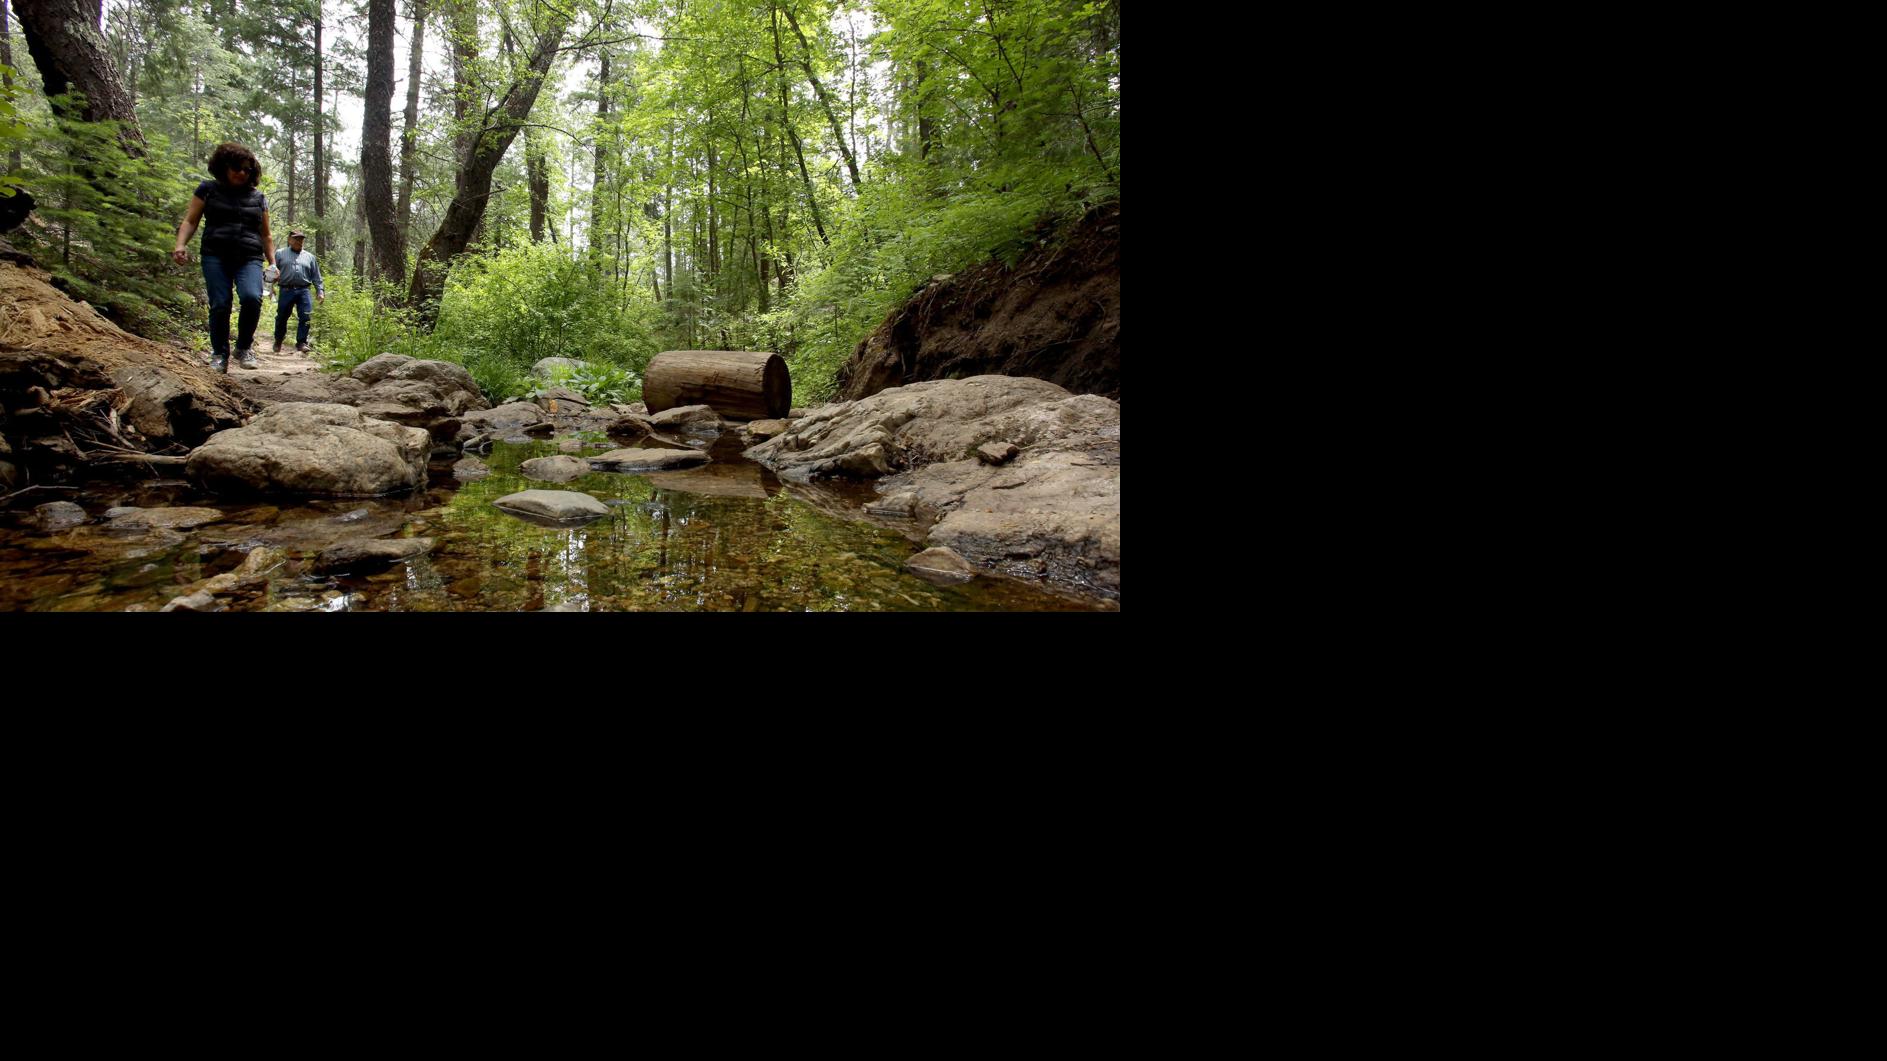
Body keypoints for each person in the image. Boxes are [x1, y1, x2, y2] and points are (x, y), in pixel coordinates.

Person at [171, 142, 274, 373]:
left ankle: (244, 347)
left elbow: (266, 234)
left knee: (251, 298)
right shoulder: (207, 189)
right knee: (220, 304)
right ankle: (219, 354)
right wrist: (180, 245)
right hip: (215, 255)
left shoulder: (258, 198)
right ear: (223, 167)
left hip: (249, 256)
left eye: (247, 169)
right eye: (236, 167)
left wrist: (273, 263)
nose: (241, 173)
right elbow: (190, 221)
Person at [271, 230, 325, 353]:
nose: (299, 241)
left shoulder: (310, 257)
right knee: (282, 316)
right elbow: (273, 271)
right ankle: (278, 340)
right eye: (296, 239)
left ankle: (301, 342)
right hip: (286, 289)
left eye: (301, 239)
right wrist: (270, 287)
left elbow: (316, 276)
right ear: (289, 240)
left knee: (306, 316)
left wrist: (320, 291)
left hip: (304, 290)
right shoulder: (280, 254)